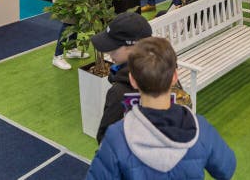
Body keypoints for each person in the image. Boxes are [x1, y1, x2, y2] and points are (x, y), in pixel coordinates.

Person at [87, 37, 237, 180]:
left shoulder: (116, 136)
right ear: (174, 76)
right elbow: (227, 169)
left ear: (132, 80)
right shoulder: (201, 128)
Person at [91, 11, 153, 143]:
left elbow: (105, 140)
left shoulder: (119, 93)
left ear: (132, 47)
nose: (108, 53)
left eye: (113, 48)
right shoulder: (163, 73)